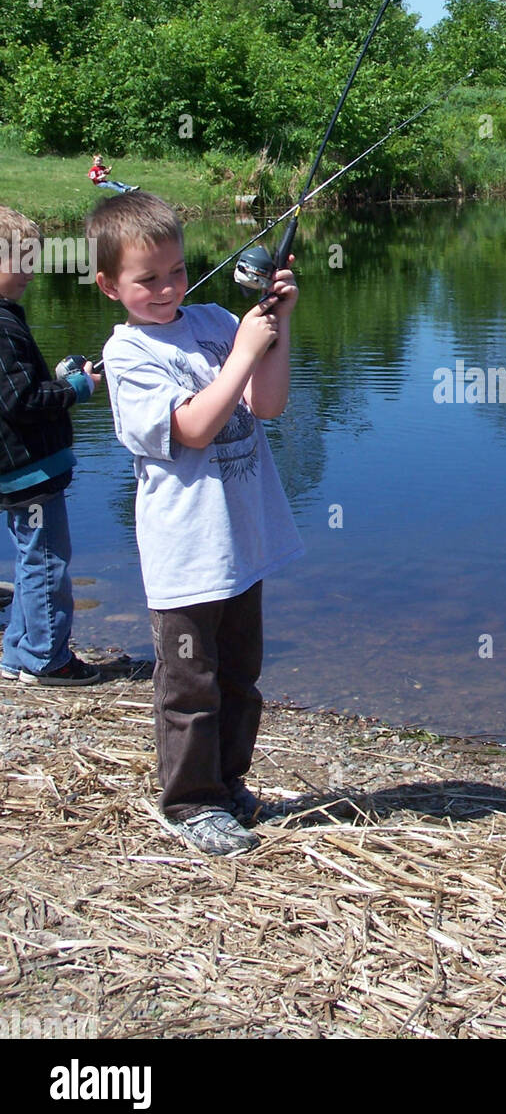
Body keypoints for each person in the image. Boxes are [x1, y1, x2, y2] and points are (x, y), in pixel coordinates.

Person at [87, 192, 303, 856]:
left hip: (243, 541)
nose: (166, 288)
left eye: (176, 271)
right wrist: (242, 351)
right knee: (189, 685)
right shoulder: (127, 355)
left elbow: (264, 405)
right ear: (109, 286)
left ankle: (229, 785)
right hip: (185, 553)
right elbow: (191, 427)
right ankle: (188, 803)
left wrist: (277, 321)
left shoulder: (212, 320)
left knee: (241, 675)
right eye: (146, 279)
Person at [0, 207, 102, 686]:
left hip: (26, 469)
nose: (30, 270)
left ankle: (19, 650)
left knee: (31, 559)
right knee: (47, 563)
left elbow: (16, 389)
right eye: (20, 258)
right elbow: (22, 400)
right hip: (30, 471)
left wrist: (57, 379)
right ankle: (47, 659)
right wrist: (78, 389)